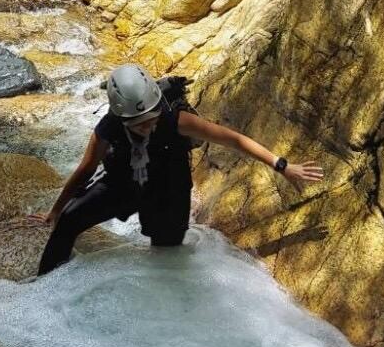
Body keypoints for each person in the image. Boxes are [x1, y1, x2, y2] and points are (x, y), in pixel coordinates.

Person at [34, 63, 323, 275]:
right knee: (68, 223)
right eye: (140, 123)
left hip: (168, 191)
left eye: (152, 118)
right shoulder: (109, 127)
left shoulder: (176, 120)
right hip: (124, 184)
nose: (149, 126)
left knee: (165, 255)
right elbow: (85, 170)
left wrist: (282, 165)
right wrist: (56, 210)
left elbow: (234, 140)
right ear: (122, 118)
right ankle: (45, 287)